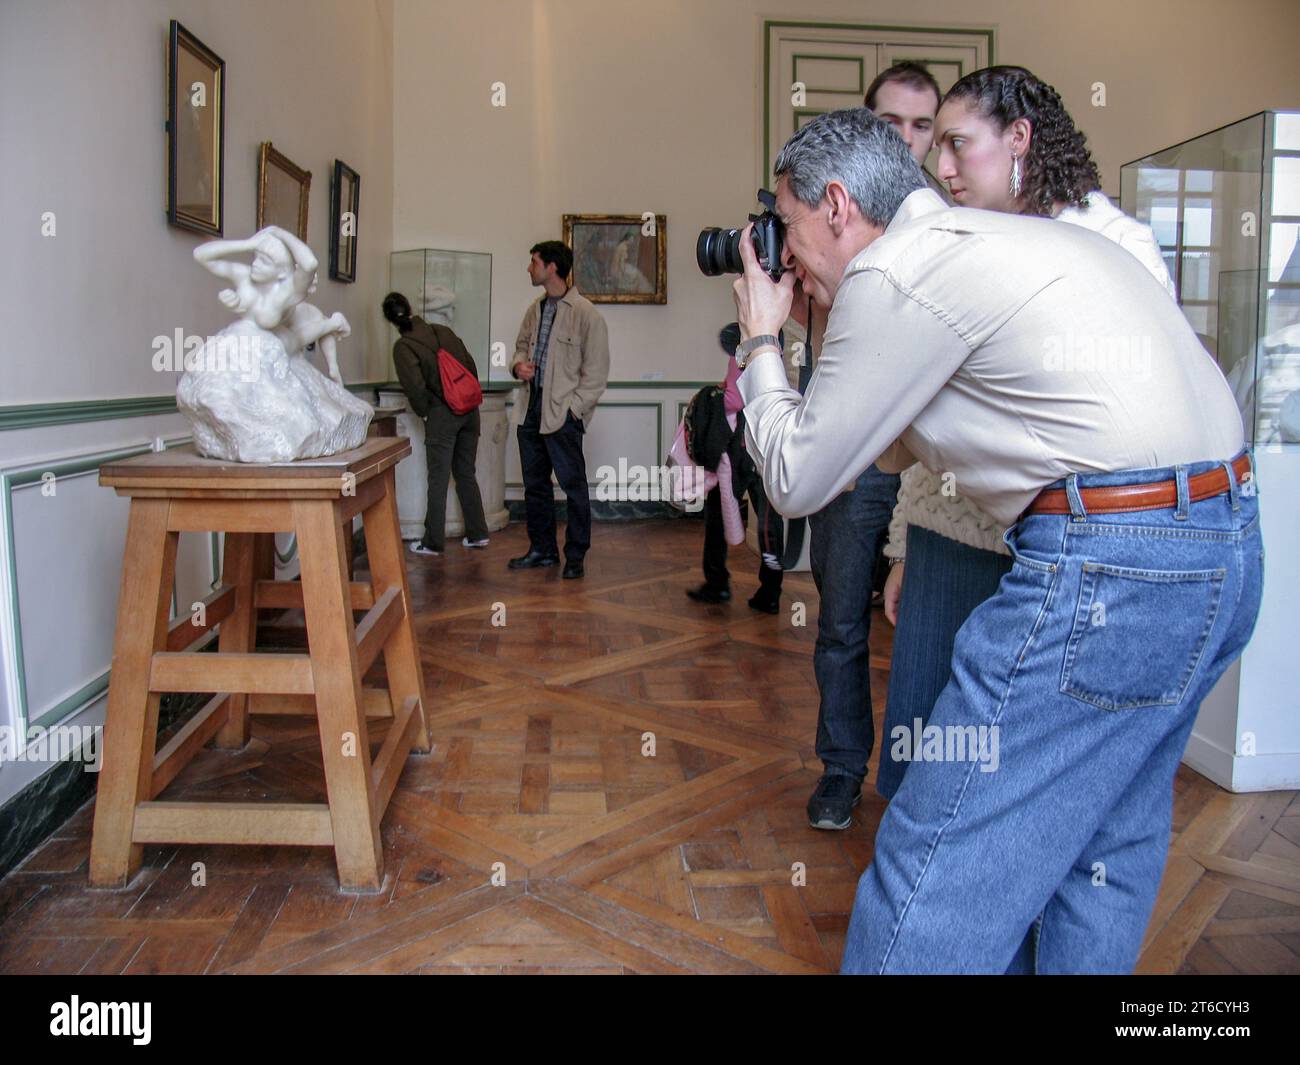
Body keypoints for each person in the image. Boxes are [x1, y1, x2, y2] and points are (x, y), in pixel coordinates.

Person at [731, 107, 1259, 974]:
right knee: (1100, 856)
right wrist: (816, 325)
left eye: (786, 231)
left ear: (835, 205)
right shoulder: (1000, 243)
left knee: (935, 866)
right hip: (1225, 545)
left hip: (1112, 565)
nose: (783, 262)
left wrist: (760, 333)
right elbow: (887, 441)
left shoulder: (897, 272)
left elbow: (795, 478)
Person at [875, 65, 1178, 801]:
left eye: (955, 144)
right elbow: (920, 433)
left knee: (1016, 779)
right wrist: (901, 547)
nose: (939, 167)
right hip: (949, 539)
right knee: (925, 752)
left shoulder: (1114, 243)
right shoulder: (964, 238)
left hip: (1056, 550)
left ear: (1019, 139)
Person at [802, 61, 943, 831]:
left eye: (924, 126)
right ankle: (843, 767)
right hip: (858, 462)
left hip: (936, 471)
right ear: (867, 129)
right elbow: (828, 353)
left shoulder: (952, 221)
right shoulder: (833, 218)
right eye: (894, 124)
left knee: (932, 624)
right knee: (841, 622)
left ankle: (924, 780)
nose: (911, 141)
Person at [508, 240, 610, 579]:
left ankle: (576, 555)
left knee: (573, 486)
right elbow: (520, 349)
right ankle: (543, 550)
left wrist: (573, 411)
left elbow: (595, 374)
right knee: (535, 486)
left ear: (552, 267)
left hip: (562, 415)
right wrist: (518, 366)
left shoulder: (587, 314)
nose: (529, 268)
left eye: (533, 261)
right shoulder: (534, 310)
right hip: (529, 410)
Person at [685, 323, 788, 613]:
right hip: (767, 446)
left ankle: (717, 583)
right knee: (769, 522)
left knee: (718, 515)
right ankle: (770, 590)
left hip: (738, 447)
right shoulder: (776, 354)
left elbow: (734, 398)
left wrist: (717, 394)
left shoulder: (740, 353)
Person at [383, 291, 489, 556]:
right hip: (470, 410)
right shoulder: (444, 331)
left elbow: (415, 388)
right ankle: (477, 534)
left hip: (443, 414)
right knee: (466, 473)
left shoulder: (404, 346)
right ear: (410, 309)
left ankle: (433, 542)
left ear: (390, 321)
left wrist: (427, 413)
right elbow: (470, 366)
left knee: (438, 478)